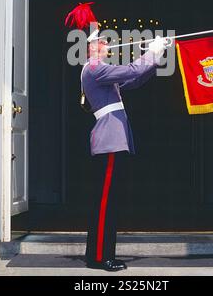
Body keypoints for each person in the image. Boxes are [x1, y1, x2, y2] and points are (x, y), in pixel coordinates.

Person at [81, 34, 167, 272]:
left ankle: (98, 254)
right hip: (109, 140)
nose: (108, 45)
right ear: (92, 46)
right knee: (105, 204)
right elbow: (130, 71)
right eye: (103, 42)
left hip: (114, 140)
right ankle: (100, 258)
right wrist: (150, 52)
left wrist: (155, 56)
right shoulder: (95, 67)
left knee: (108, 203)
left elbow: (135, 80)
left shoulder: (101, 72)